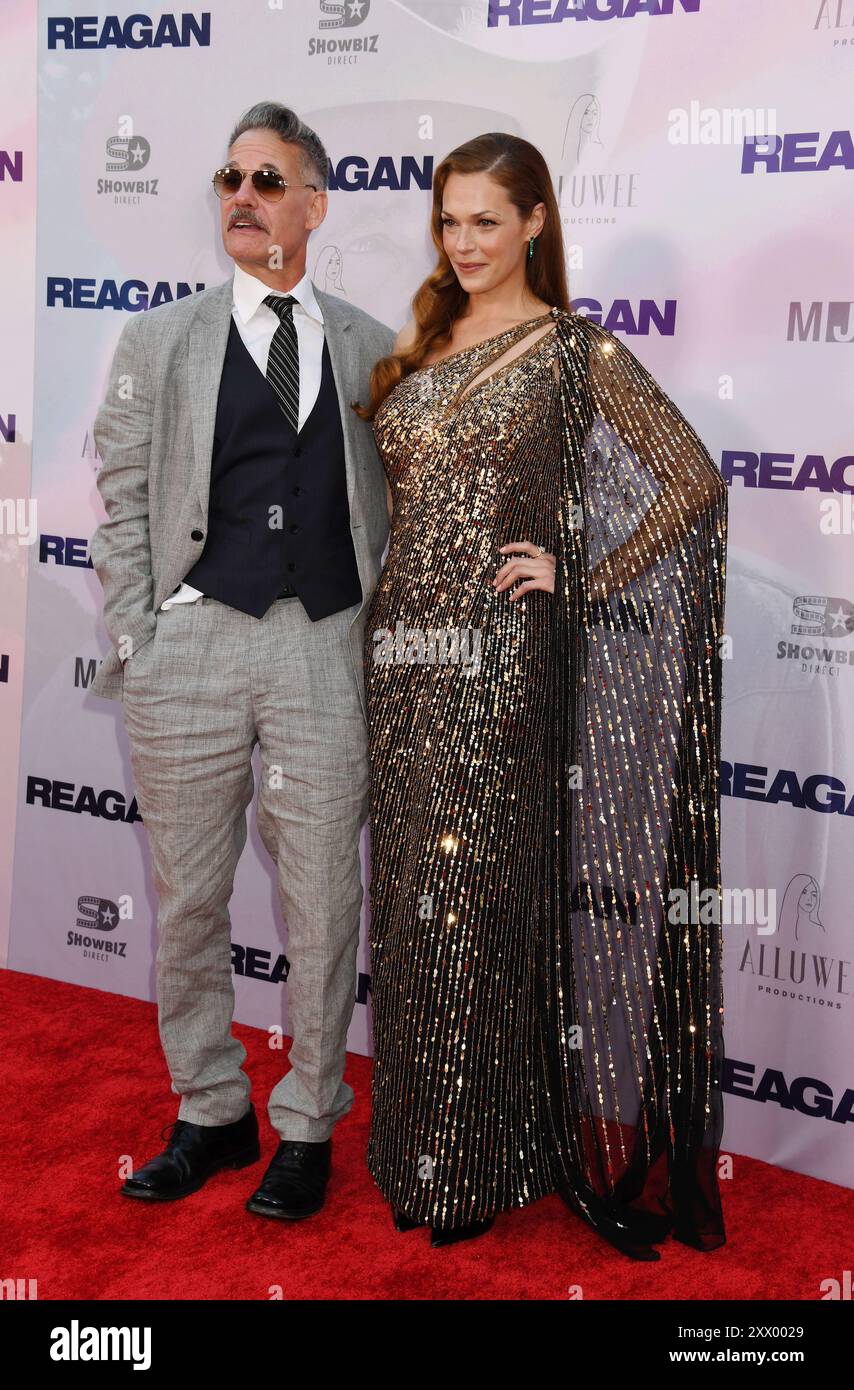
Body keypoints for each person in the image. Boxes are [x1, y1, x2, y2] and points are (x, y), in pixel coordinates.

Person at [354, 132, 728, 1258]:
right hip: (402, 661)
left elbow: (689, 483)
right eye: (447, 220)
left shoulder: (572, 350)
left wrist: (584, 574)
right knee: (416, 909)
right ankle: (417, 1146)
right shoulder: (421, 344)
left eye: (484, 219)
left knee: (479, 906)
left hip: (498, 666)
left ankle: (477, 1161)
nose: (463, 242)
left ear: (532, 223)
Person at [89, 102, 394, 1220]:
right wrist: (142, 633)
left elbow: (400, 507)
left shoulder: (368, 345)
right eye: (229, 178)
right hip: (190, 648)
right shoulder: (159, 338)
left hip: (324, 645)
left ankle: (309, 1120)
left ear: (313, 204)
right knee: (189, 901)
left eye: (269, 180)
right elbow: (121, 495)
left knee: (320, 897)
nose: (243, 197)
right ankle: (210, 1111)